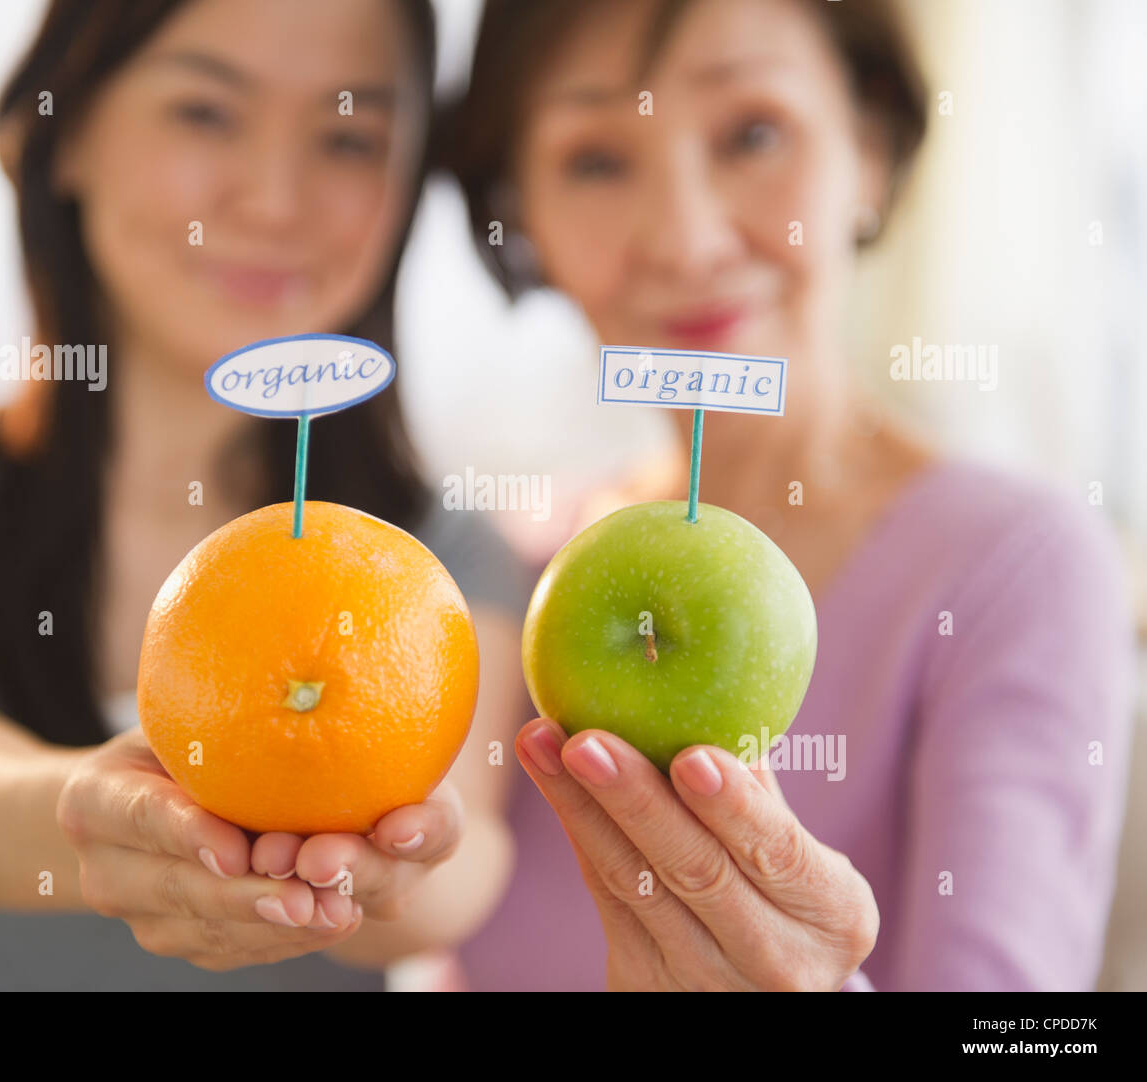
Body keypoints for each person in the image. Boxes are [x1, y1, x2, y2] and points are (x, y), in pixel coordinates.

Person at [445, 0, 1136, 990]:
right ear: (523, 219)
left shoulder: (1019, 563)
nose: (683, 239)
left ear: (869, 146)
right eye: (595, 159)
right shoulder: (510, 562)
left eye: (752, 133)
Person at [0, 0, 529, 991]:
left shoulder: (442, 548)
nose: (272, 198)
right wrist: (105, 822)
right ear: (63, 132)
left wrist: (397, 870)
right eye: (205, 113)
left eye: (347, 136)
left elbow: (455, 872)